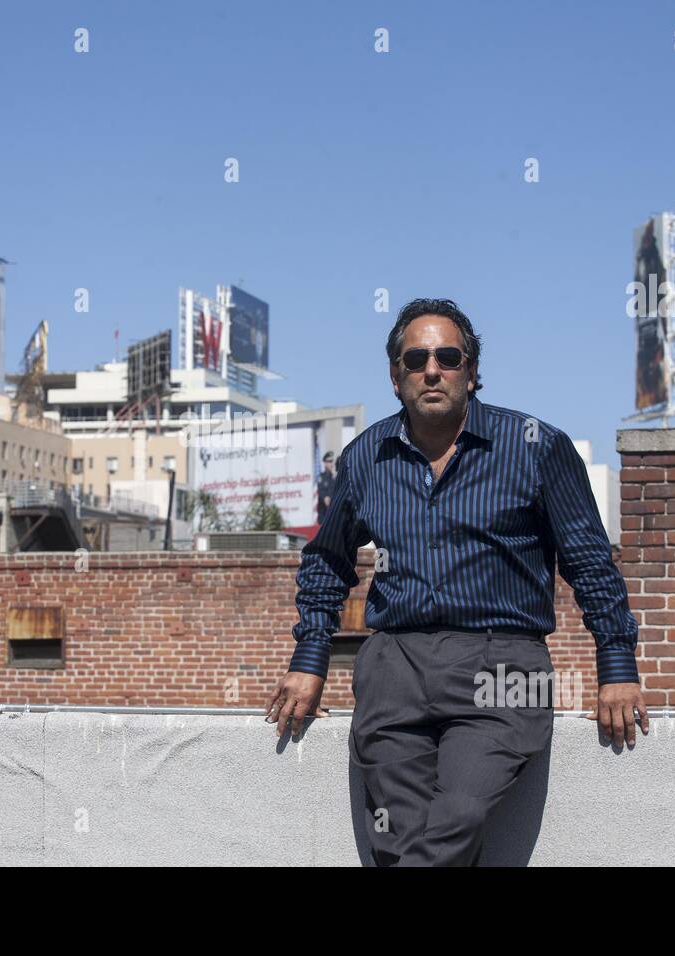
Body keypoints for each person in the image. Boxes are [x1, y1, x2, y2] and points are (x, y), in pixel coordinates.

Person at [264, 297, 649, 866]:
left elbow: (590, 562)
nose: (432, 369)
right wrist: (309, 658)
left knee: (457, 818)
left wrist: (617, 667)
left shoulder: (537, 448)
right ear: (396, 377)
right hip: (394, 664)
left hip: (505, 666)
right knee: (395, 835)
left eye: (448, 356)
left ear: (472, 371)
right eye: (415, 358)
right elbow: (326, 562)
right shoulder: (367, 456)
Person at [315, 451, 336, 523]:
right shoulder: (321, 477)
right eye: (329, 461)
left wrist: (334, 476)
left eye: (332, 461)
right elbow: (321, 491)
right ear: (325, 463)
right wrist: (325, 497)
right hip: (323, 514)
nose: (331, 464)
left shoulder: (334, 477)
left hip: (333, 513)